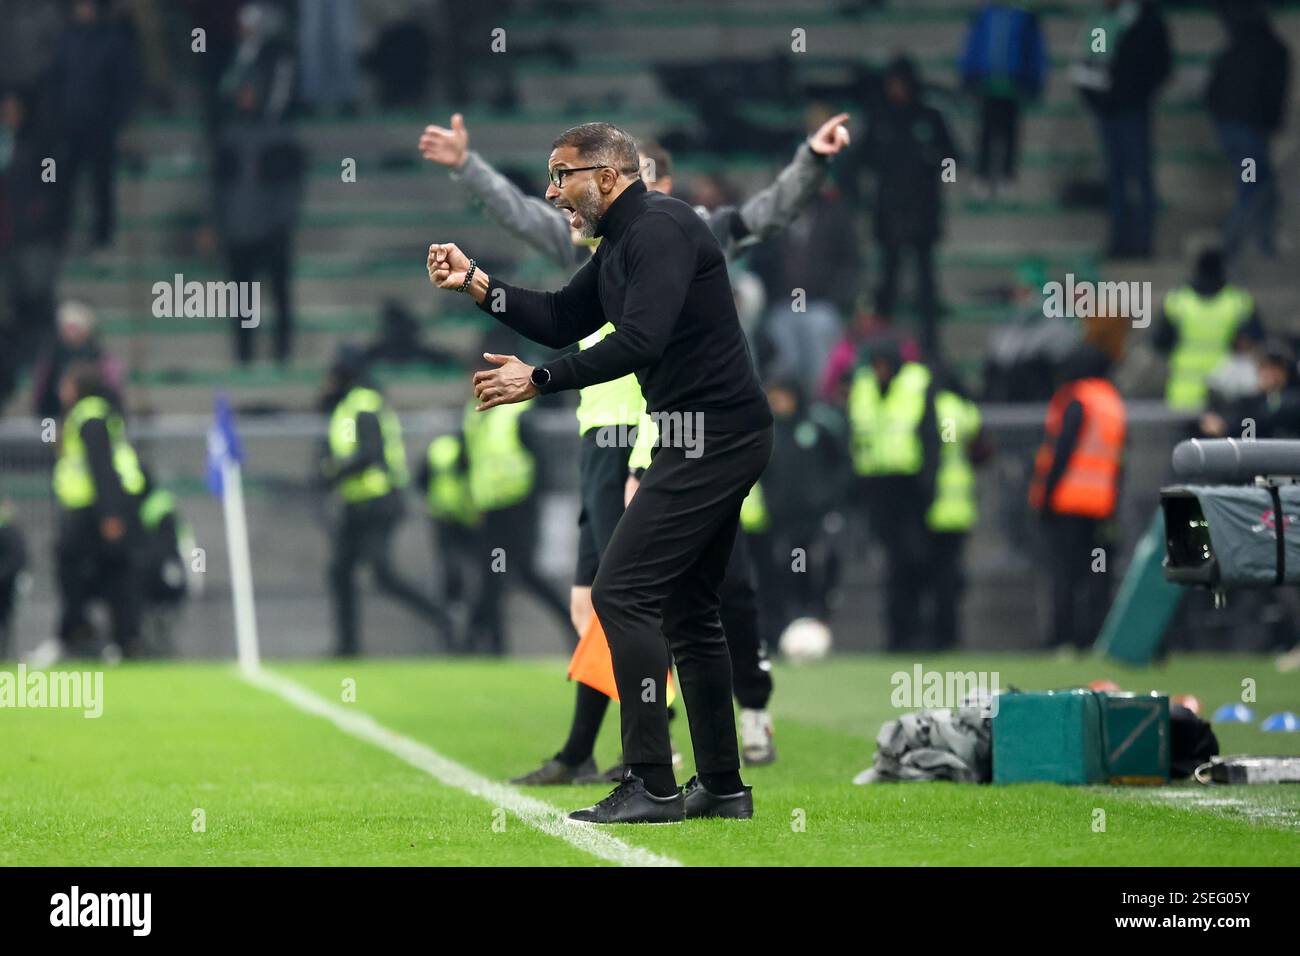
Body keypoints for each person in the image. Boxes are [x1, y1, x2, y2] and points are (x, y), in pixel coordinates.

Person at [420, 111, 850, 780]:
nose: (554, 191)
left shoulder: (661, 229)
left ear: (609, 176)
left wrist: (538, 378)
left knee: (619, 595)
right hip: (699, 432)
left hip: (710, 434)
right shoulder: (622, 240)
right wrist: (477, 283)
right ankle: (720, 786)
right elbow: (562, 316)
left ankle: (648, 779)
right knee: (689, 608)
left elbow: (640, 340)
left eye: (563, 176)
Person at [320, 346, 454, 657]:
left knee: (382, 573)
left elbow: (370, 453)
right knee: (340, 572)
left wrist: (336, 472)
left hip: (378, 501)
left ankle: (443, 618)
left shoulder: (363, 404)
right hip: (359, 502)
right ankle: (347, 647)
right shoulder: (352, 404)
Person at [459, 339, 572, 656]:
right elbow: (475, 461)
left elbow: (539, 463)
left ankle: (572, 626)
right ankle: (492, 646)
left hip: (519, 506)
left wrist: (534, 503)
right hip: (490, 509)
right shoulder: (475, 414)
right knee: (491, 577)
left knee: (523, 572)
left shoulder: (516, 410)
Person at [211, 2, 302, 365]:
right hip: (238, 230)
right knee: (241, 298)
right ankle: (244, 355)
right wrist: (217, 223)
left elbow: (291, 187)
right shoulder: (228, 137)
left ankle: (282, 355)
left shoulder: (281, 138)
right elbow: (217, 186)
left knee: (279, 295)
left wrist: (280, 222)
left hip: (271, 228)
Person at [1027, 322, 1127, 651]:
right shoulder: (1112, 402)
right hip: (1101, 506)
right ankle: (1093, 637)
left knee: (1064, 575)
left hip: (1068, 503)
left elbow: (1061, 452)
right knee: (1097, 573)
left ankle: (1062, 638)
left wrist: (1044, 499)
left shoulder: (1078, 399)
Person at [860, 56, 960, 357]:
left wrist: (936, 170)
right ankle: (882, 345)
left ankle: (931, 346)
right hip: (889, 214)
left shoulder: (930, 118)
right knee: (888, 282)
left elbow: (952, 159)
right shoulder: (879, 118)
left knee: (926, 283)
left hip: (923, 213)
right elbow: (861, 161)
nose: (897, 90)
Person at [743, 379, 851, 651]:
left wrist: (827, 498)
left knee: (815, 569)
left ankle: (814, 621)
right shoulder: (768, 431)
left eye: (782, 395)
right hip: (778, 523)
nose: (778, 402)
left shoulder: (818, 426)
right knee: (781, 576)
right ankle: (779, 632)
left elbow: (841, 465)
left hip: (816, 520)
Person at [846, 340, 939, 650]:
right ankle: (899, 635)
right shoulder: (864, 388)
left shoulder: (916, 384)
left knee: (915, 561)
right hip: (879, 489)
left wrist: (928, 485)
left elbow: (929, 437)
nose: (880, 371)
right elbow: (858, 439)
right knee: (893, 564)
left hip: (911, 488)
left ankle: (920, 631)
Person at [49, 362, 146, 661]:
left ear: (77, 387)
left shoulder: (90, 417)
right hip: (101, 507)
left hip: (96, 510)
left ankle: (83, 632)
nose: (61, 390)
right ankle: (119, 638)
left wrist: (110, 516)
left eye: (66, 383)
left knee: (78, 566)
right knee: (110, 570)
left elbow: (101, 468)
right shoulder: (91, 415)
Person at [1072, 0, 1171, 260]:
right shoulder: (1101, 24)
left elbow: (1162, 66)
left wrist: (1136, 93)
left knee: (1140, 177)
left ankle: (1144, 241)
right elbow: (1090, 64)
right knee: (1116, 178)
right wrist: (1097, 100)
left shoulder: (1149, 22)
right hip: (1109, 114)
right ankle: (1119, 241)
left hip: (1134, 113)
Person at [1205, 0, 1291, 262]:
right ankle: (1232, 246)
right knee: (1253, 187)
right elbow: (1275, 95)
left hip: (1232, 132)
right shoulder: (1274, 51)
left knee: (1261, 187)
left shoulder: (1234, 49)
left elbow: (1211, 92)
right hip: (1249, 135)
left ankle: (1262, 244)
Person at [51, 0, 139, 250]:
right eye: (80, 5)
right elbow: (57, 81)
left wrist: (114, 120)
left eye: (88, 5)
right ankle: (60, 232)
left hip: (101, 126)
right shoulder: (66, 39)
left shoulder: (113, 41)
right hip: (70, 125)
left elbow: (127, 85)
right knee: (64, 182)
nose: (84, 10)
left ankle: (103, 236)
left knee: (102, 183)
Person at [919, 376, 989, 650]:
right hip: (960, 504)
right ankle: (949, 634)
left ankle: (935, 634)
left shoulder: (932, 406)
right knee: (951, 575)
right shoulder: (966, 409)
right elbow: (981, 450)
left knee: (931, 574)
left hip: (934, 502)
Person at [1152, 248, 1262, 411]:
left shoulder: (1177, 302)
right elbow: (1255, 340)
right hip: (1227, 390)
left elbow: (1159, 342)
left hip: (1184, 389)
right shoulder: (1239, 302)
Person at [959, 2, 1049, 199]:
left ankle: (1007, 175)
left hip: (1012, 87)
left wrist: (1034, 80)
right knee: (985, 133)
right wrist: (968, 74)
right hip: (988, 86)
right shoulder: (983, 16)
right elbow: (973, 45)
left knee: (1010, 133)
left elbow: (1035, 50)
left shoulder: (1025, 17)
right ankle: (982, 174)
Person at [31, 300, 125, 422]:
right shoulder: (51, 358)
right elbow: (42, 393)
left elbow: (113, 394)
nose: (70, 333)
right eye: (67, 327)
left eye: (74, 327)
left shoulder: (100, 358)